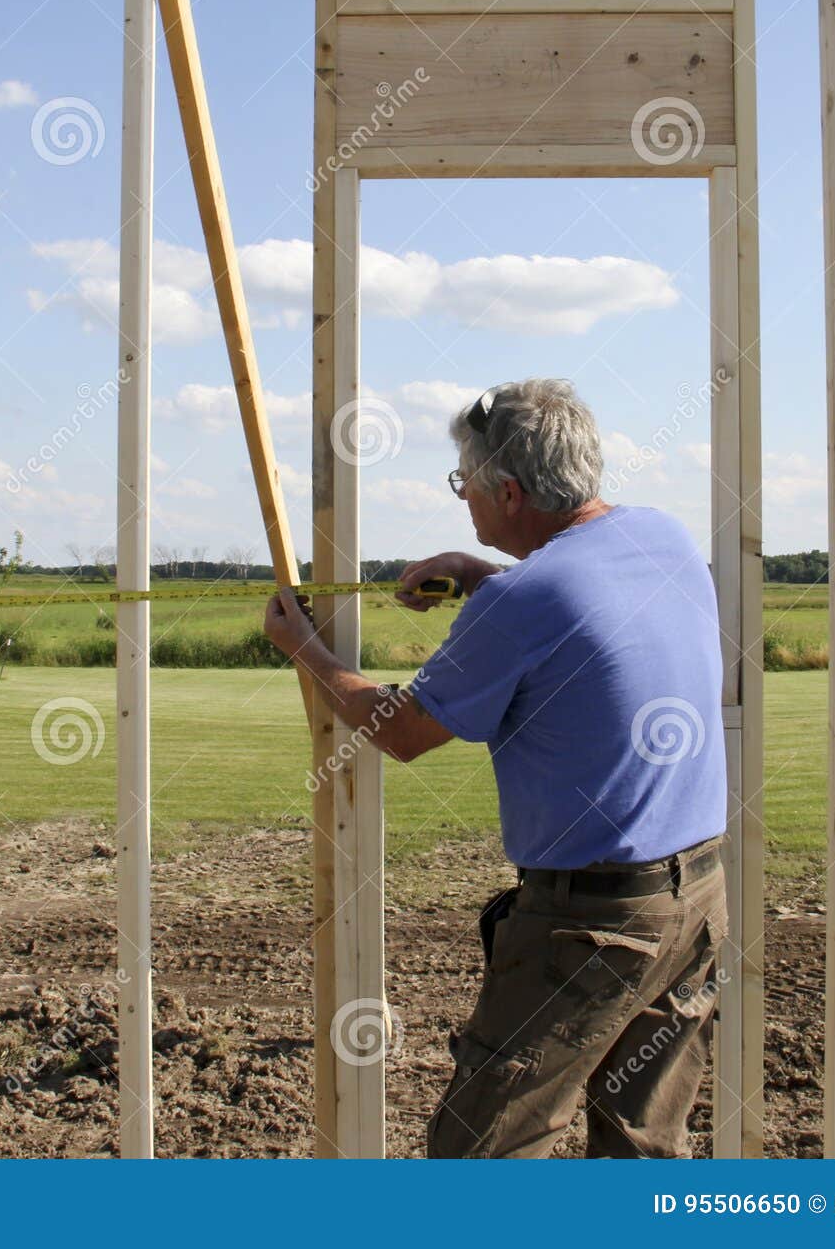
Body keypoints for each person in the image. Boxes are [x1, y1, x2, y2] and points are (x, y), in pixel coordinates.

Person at [261, 377, 728, 1158]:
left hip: (593, 925)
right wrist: (483, 575)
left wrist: (303, 651)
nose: (463, 501)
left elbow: (406, 730)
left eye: (465, 484)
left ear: (508, 492)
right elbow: (585, 607)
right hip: (695, 901)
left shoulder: (526, 599)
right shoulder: (661, 537)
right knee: (642, 1150)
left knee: (485, 1149)